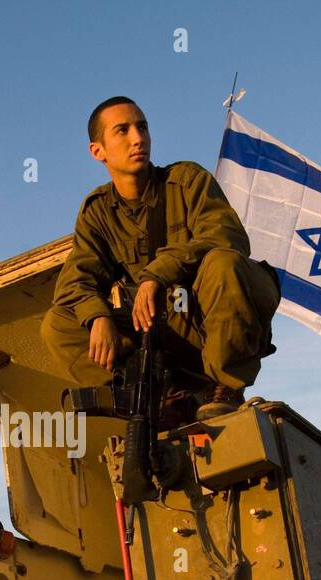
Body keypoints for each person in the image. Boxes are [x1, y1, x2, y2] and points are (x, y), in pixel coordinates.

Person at [40, 96, 281, 422]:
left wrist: (155, 275)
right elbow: (75, 280)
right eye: (122, 131)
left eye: (142, 127)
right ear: (98, 151)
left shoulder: (186, 181)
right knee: (58, 323)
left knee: (223, 263)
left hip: (205, 321)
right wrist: (97, 316)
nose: (138, 138)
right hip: (160, 337)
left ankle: (225, 386)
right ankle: (152, 397)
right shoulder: (97, 211)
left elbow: (226, 237)